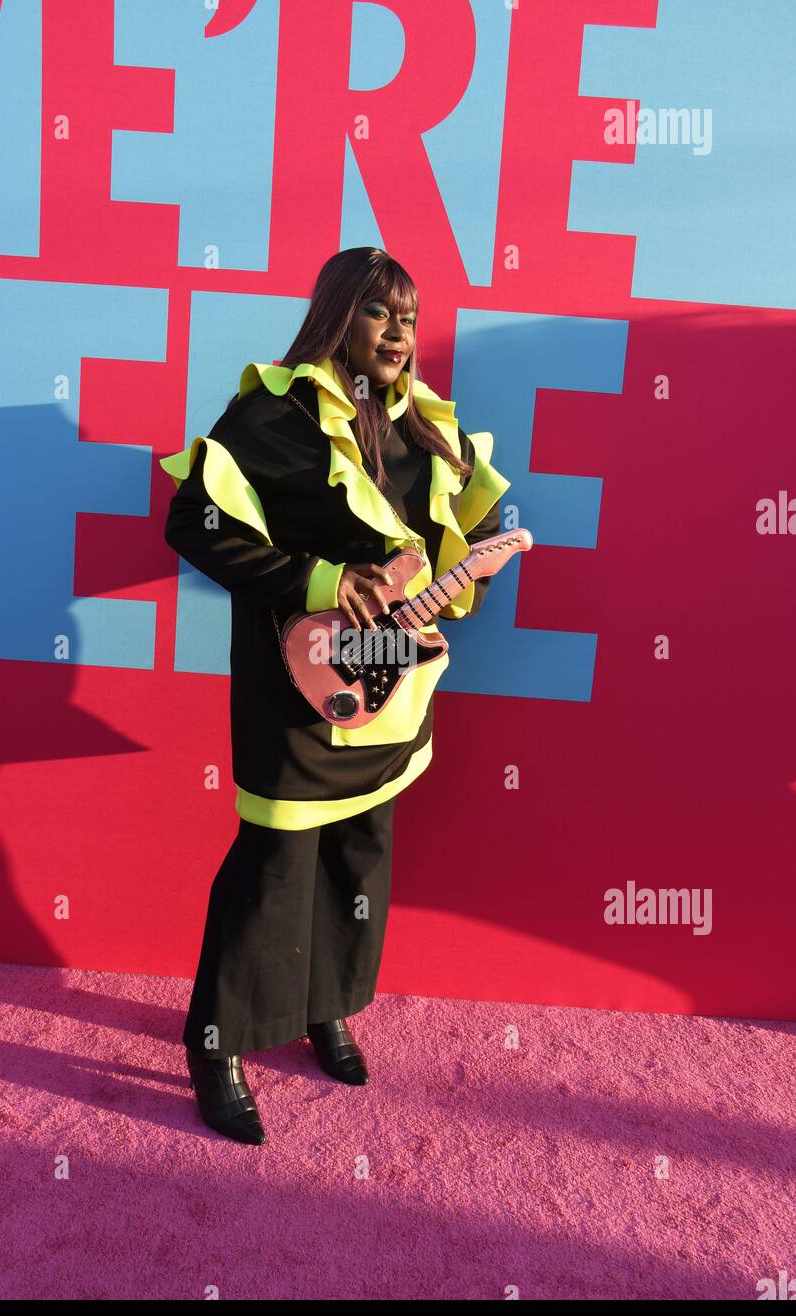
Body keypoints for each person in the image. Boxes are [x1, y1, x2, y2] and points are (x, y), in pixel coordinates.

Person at [160, 246, 510, 1144]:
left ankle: (327, 1007)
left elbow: (438, 539)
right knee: (272, 865)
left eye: (408, 314)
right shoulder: (273, 413)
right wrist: (316, 581)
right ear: (336, 317)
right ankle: (216, 1042)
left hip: (389, 688)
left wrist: (464, 552)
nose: (397, 332)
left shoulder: (427, 425)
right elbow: (193, 525)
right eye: (377, 312)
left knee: (362, 853)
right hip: (293, 685)